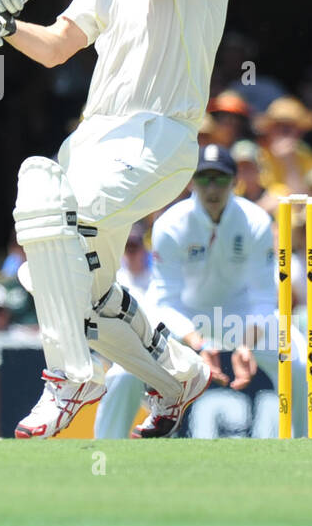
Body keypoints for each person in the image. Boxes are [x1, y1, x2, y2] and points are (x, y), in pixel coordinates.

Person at [0, 0, 221, 439]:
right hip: (96, 136)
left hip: (159, 134)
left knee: (66, 243)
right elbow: (55, 47)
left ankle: (70, 376)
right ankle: (178, 376)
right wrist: (2, 26)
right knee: (62, 273)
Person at [95, 146, 267, 440]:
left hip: (240, 317)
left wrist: (246, 344)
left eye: (221, 179)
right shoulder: (170, 224)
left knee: (299, 359)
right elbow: (165, 302)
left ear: (234, 181)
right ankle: (103, 452)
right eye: (204, 178)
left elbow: (265, 299)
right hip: (183, 318)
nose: (212, 188)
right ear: (191, 181)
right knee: (123, 372)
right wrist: (199, 345)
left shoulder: (256, 221)